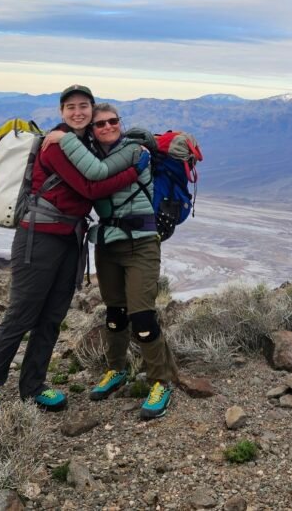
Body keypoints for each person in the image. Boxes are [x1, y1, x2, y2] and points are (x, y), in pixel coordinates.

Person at [0, 85, 147, 413]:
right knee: (21, 316)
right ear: (61, 111)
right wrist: (135, 170)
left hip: (70, 240)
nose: (78, 112)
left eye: (84, 106)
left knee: (52, 317)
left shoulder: (85, 143)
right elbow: (90, 186)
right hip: (39, 238)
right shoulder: (55, 143)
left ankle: (33, 387)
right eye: (71, 107)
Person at [45, 102, 178, 420]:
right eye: (100, 124)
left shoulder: (134, 151)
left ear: (121, 123)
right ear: (92, 129)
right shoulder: (92, 151)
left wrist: (62, 139)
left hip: (141, 244)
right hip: (107, 245)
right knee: (115, 314)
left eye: (112, 122)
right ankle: (116, 369)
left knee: (142, 316)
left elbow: (97, 174)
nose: (107, 128)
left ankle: (161, 381)